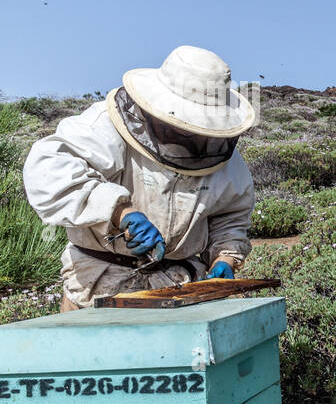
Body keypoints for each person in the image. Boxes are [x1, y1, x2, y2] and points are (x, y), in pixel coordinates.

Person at [24, 45, 257, 310]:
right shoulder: (104, 125)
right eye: (182, 129)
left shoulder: (223, 157)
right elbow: (50, 171)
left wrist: (224, 259)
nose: (191, 137)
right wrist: (120, 212)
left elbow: (230, 217)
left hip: (179, 285)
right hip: (98, 285)